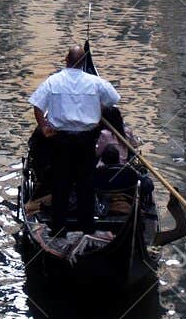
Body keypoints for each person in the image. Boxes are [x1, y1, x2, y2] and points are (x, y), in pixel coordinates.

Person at [30, 46, 120, 235]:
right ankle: (87, 228)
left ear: (66, 60)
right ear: (84, 63)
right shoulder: (95, 82)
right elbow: (113, 99)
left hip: (60, 140)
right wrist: (97, 107)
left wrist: (44, 127)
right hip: (86, 141)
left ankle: (58, 229)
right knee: (85, 184)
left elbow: (37, 105)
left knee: (60, 183)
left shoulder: (53, 81)